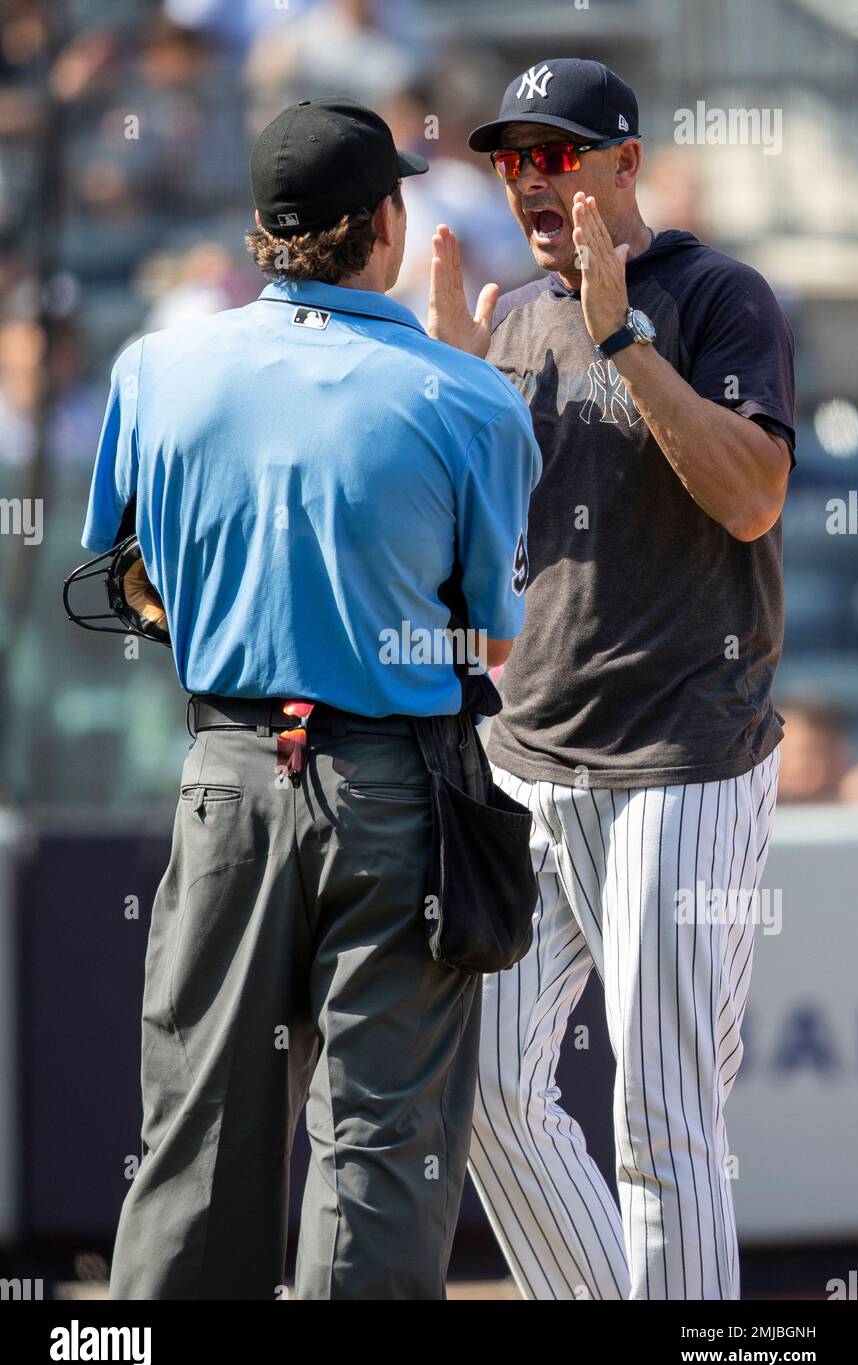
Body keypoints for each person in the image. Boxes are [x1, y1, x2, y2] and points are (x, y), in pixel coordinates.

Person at [82, 97, 540, 1300]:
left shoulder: (154, 367)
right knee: (381, 1153)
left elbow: (129, 581)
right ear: (383, 225)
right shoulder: (468, 401)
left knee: (193, 1139)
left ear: (259, 229)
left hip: (228, 777)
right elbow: (491, 625)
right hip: (396, 790)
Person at [429, 57, 796, 1300]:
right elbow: (479, 563)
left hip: (680, 760)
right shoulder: (513, 319)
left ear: (623, 165)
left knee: (662, 1117)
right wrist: (444, 402)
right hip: (528, 762)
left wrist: (622, 338)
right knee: (476, 1089)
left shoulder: (716, 294)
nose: (529, 180)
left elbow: (751, 499)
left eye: (556, 153)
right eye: (511, 158)